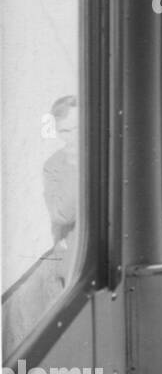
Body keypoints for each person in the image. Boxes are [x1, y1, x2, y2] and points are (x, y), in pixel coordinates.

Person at [43, 95, 78, 283]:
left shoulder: (108, 151)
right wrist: (74, 163)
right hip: (76, 266)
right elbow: (62, 215)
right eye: (66, 131)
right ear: (58, 132)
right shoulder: (54, 165)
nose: (73, 137)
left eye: (78, 128)